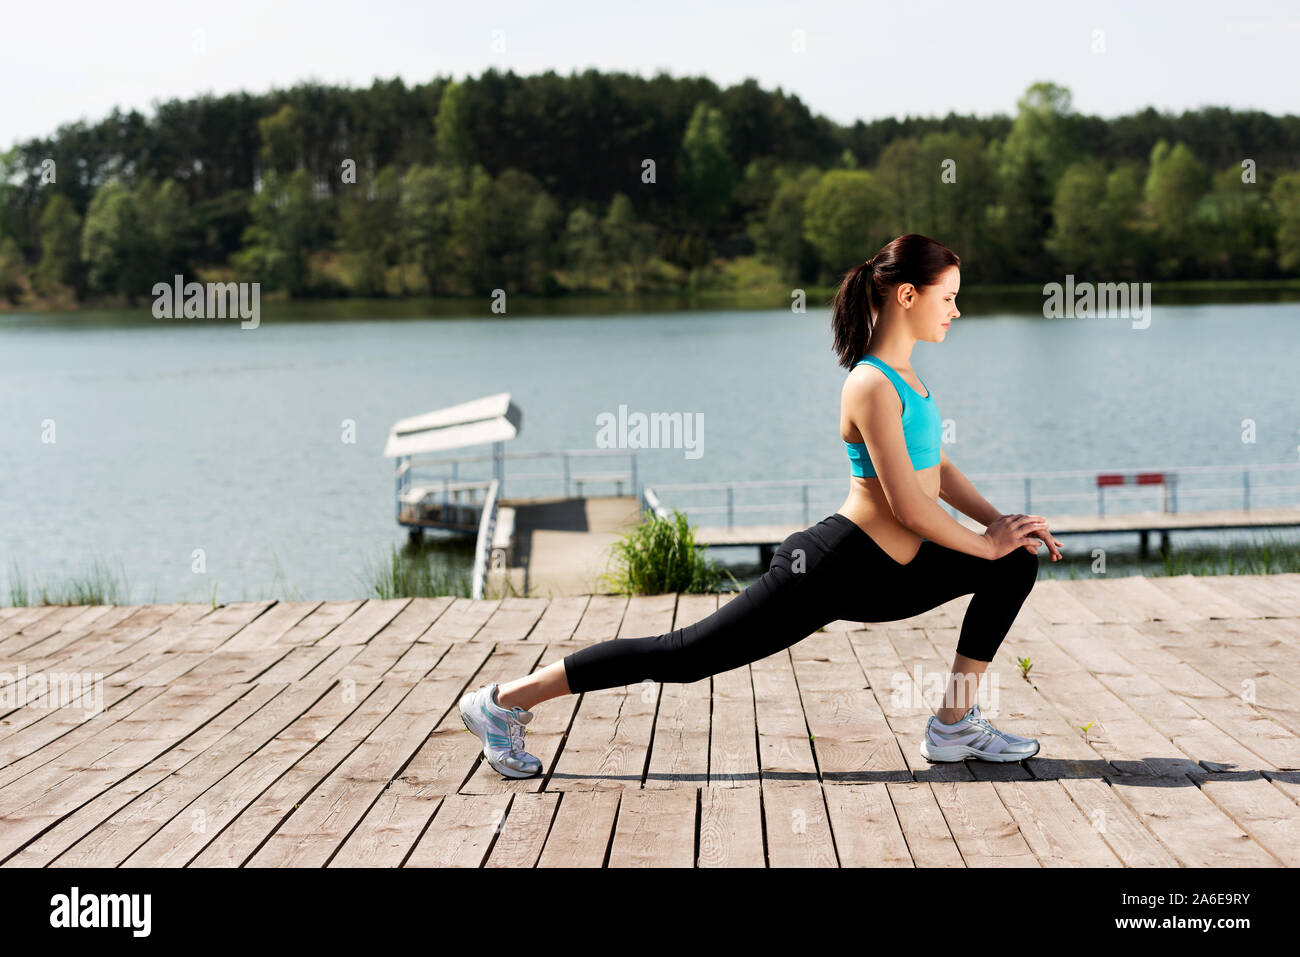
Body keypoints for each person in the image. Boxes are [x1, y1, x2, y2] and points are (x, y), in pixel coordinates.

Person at [459, 233, 1064, 778]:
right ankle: (503, 702)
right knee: (685, 656)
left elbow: (935, 468)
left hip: (894, 571)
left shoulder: (910, 377)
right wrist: (984, 542)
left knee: (1014, 563)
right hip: (835, 566)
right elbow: (908, 506)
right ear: (908, 294)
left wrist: (996, 524)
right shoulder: (870, 382)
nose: (957, 311)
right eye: (949, 297)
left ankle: (954, 725)